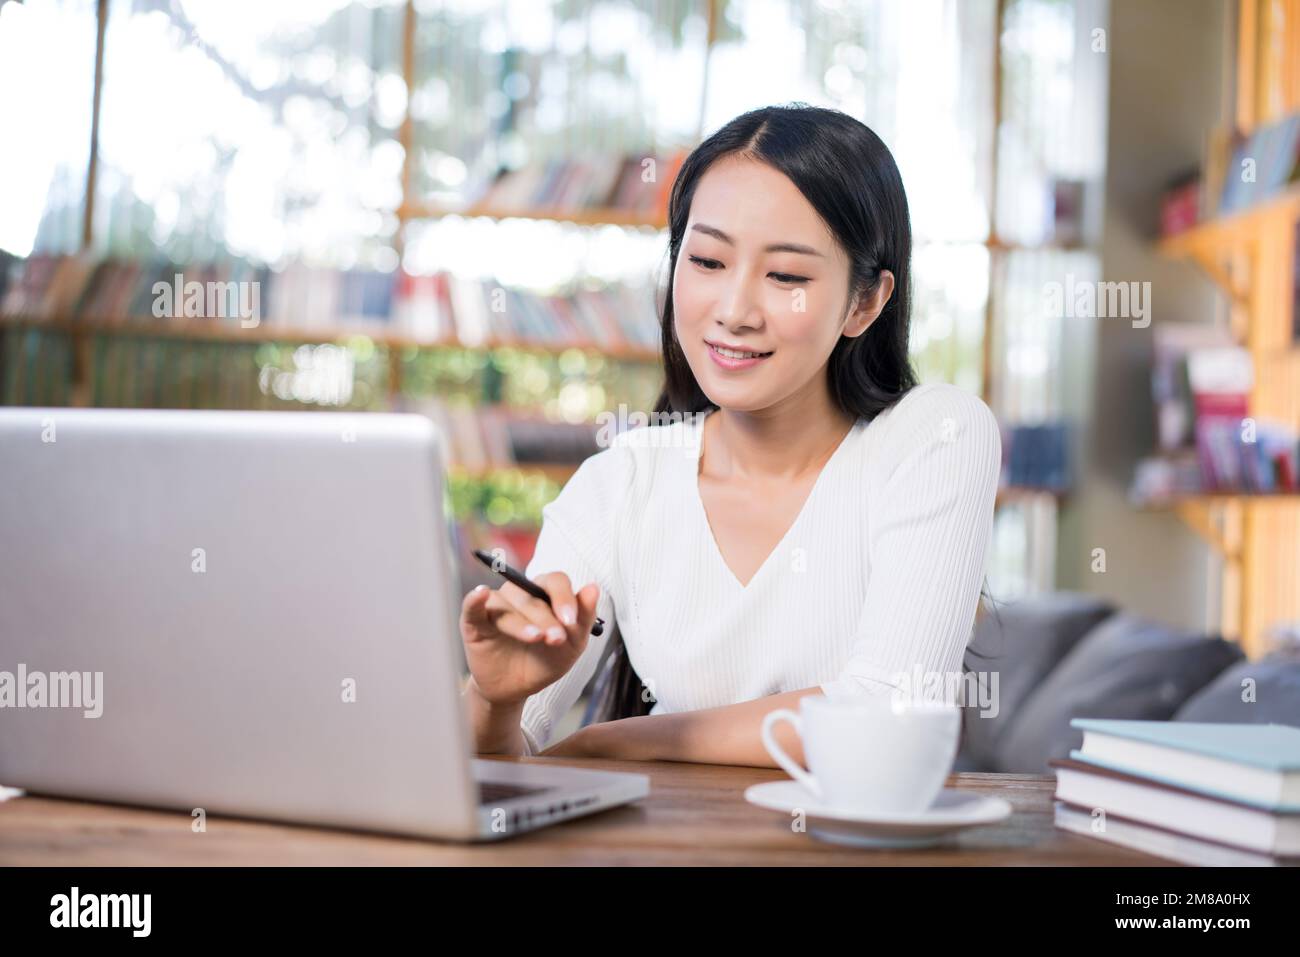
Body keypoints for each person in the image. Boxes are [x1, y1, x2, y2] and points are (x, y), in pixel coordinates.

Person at [460, 103, 1001, 767]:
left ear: (864, 302)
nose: (734, 311)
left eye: (786, 276)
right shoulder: (624, 482)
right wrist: (496, 701)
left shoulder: (934, 437)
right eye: (709, 261)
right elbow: (500, 766)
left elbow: (889, 719)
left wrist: (623, 737)